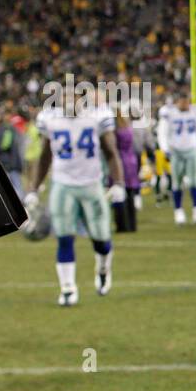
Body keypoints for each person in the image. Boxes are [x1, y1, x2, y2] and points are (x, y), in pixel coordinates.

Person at [25, 98, 125, 304]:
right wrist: (33, 189)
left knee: (101, 238)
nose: (69, 101)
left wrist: (118, 183)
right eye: (65, 96)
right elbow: (45, 157)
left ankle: (104, 267)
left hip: (91, 184)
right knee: (64, 237)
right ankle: (68, 289)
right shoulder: (51, 119)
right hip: (63, 185)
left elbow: (111, 153)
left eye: (74, 96)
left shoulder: (97, 117)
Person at [157, 96, 196, 223]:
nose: (185, 104)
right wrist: (165, 149)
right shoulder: (169, 112)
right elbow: (162, 132)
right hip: (175, 151)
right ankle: (178, 211)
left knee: (195, 182)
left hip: (192, 150)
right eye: (182, 101)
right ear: (177, 102)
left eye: (187, 102)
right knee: (177, 182)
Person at [111, 109, 140, 232]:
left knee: (119, 194)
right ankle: (132, 225)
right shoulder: (128, 127)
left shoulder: (115, 129)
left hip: (120, 161)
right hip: (131, 160)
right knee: (130, 194)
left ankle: (122, 225)